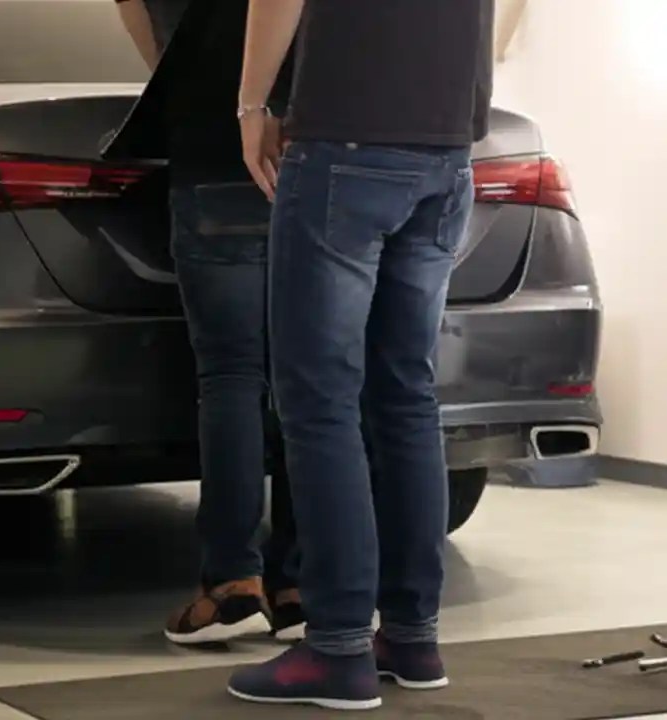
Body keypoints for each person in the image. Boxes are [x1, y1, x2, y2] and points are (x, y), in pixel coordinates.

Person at [228, 0, 495, 711]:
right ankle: (411, 636)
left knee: (320, 402)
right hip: (447, 148)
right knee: (407, 395)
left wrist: (253, 101)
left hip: (347, 141)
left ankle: (338, 646)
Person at [111, 0, 304, 644]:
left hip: (210, 146)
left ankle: (231, 583)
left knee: (231, 375)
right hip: (309, 143)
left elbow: (145, 25)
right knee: (309, 380)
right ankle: (301, 584)